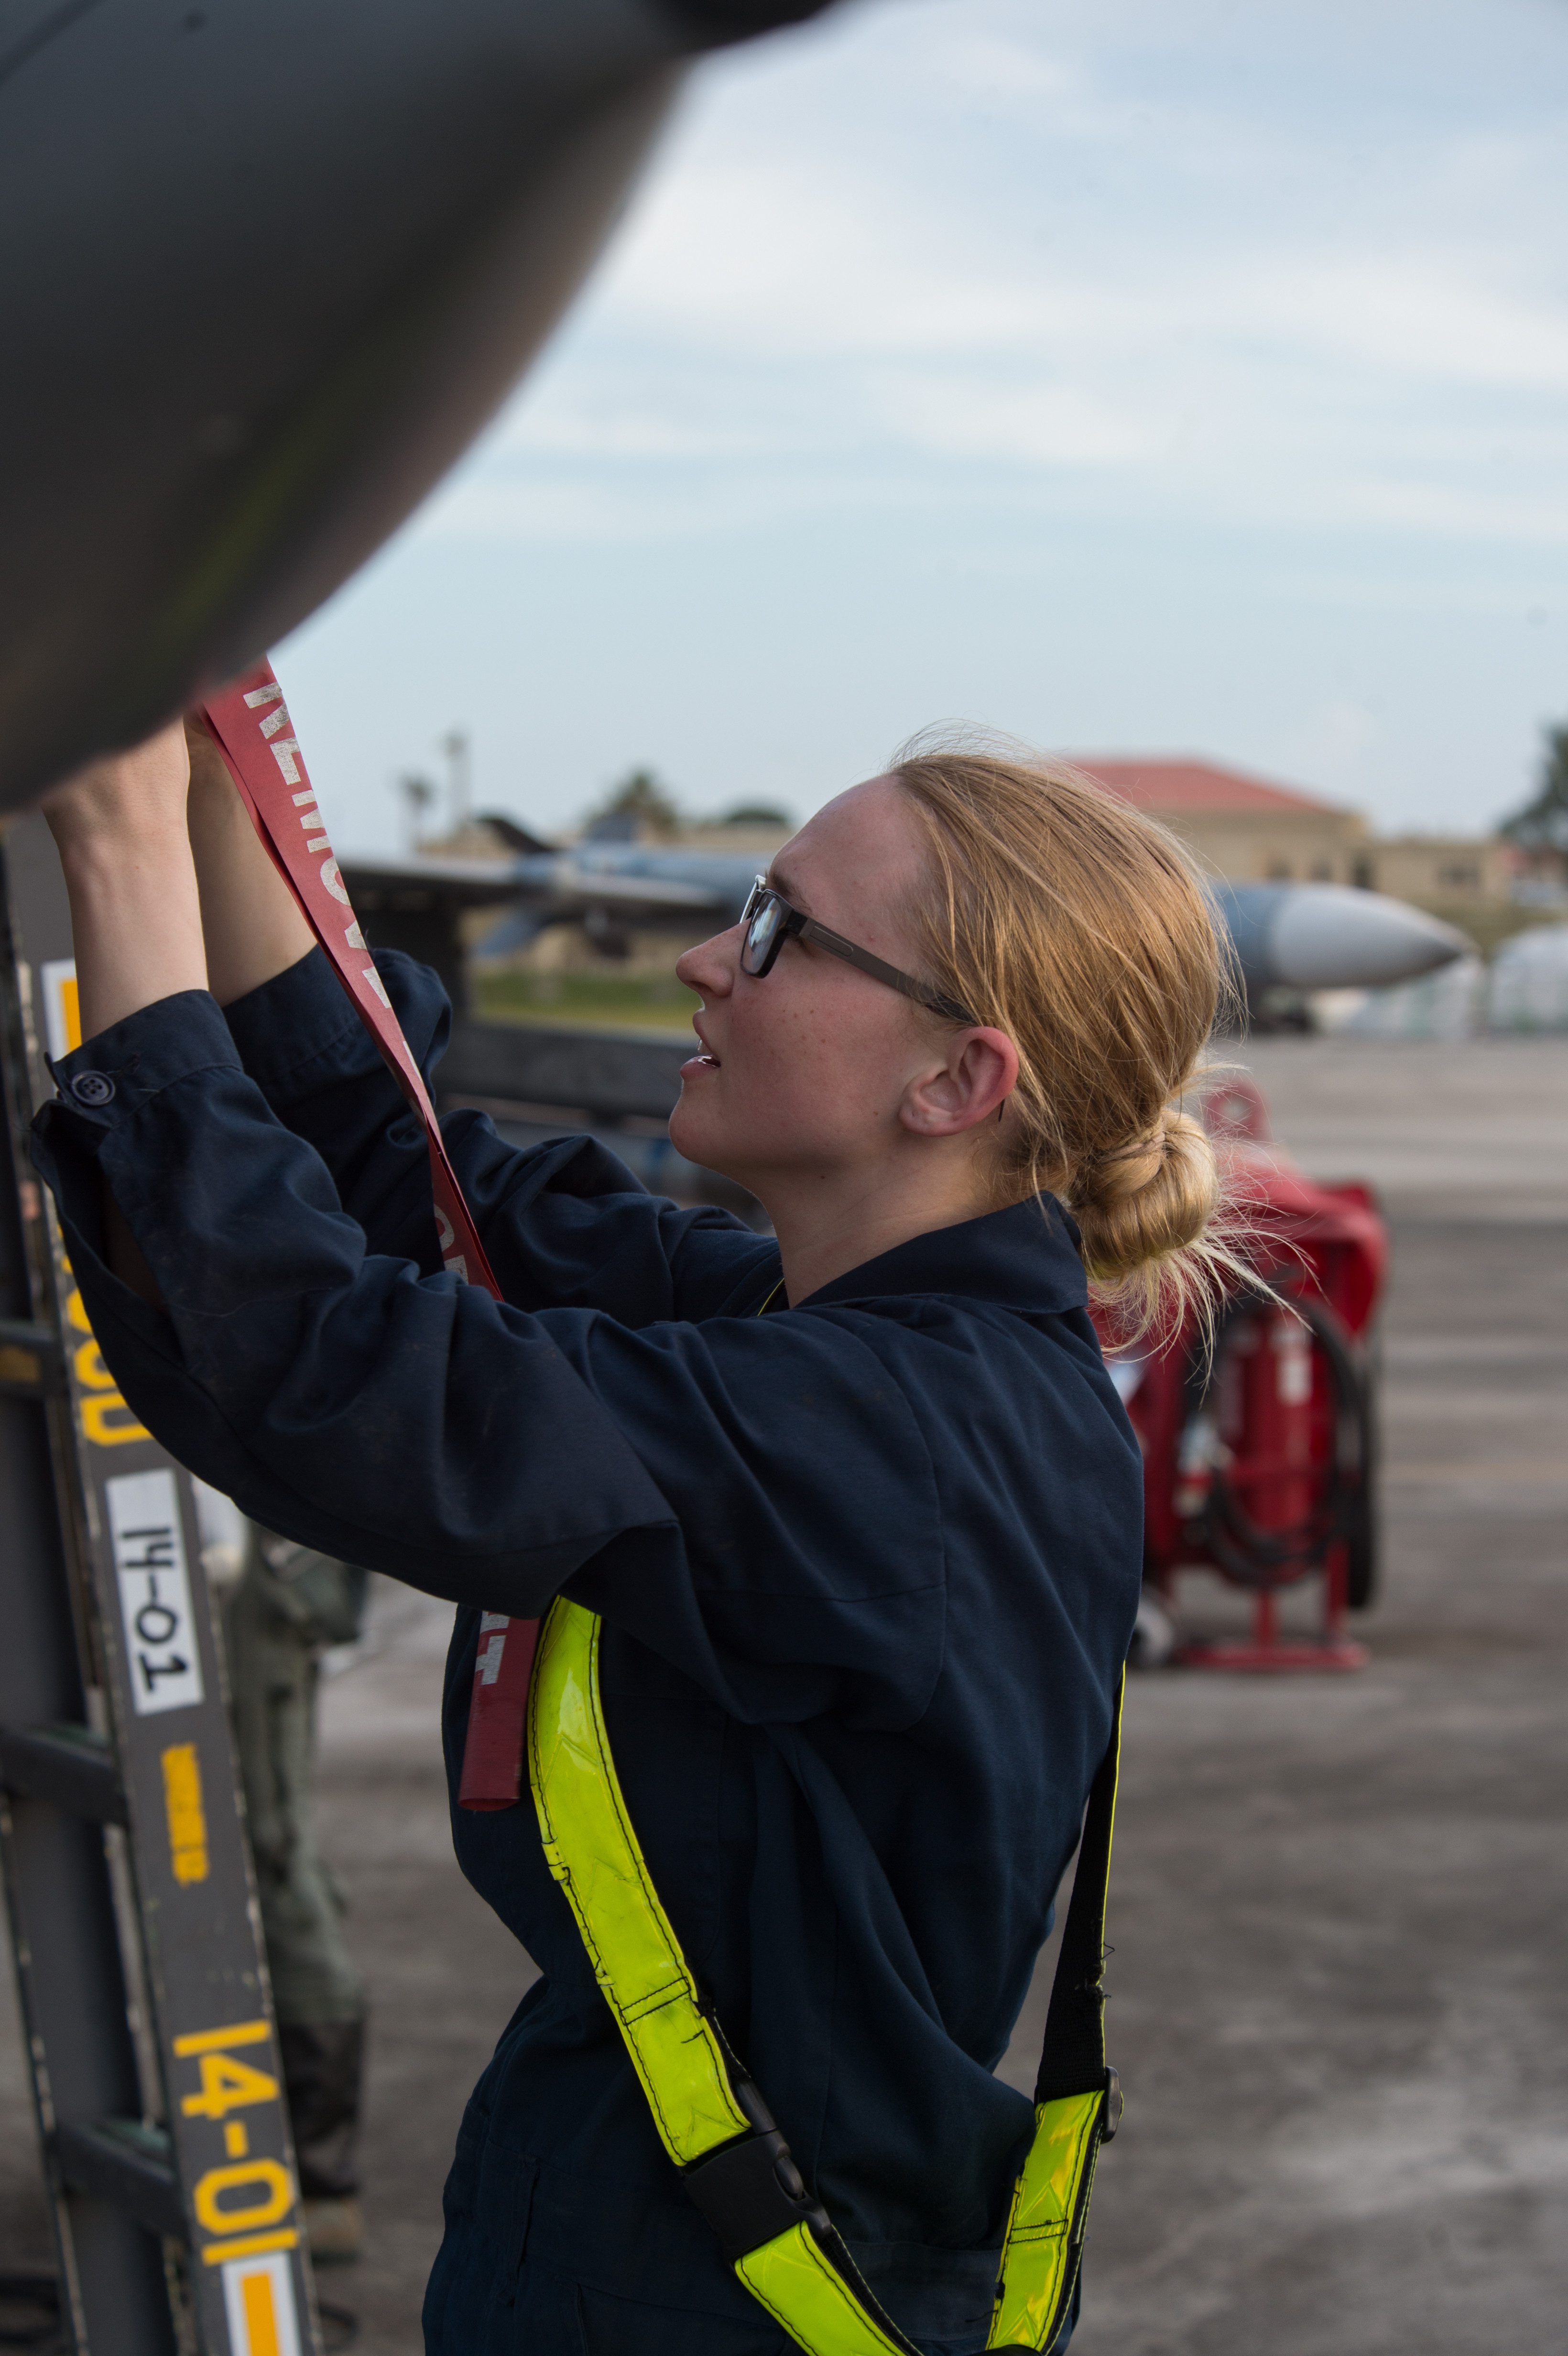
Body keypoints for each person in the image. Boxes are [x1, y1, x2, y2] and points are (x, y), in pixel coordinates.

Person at [34, 720, 1230, 2356]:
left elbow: (344, 1368)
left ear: (958, 1080)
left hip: (695, 2305)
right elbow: (420, 1189)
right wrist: (209, 755)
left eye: (776, 933)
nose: (701, 961)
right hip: (650, 2245)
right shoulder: (829, 1334)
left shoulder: (888, 1439)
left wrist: (113, 852)